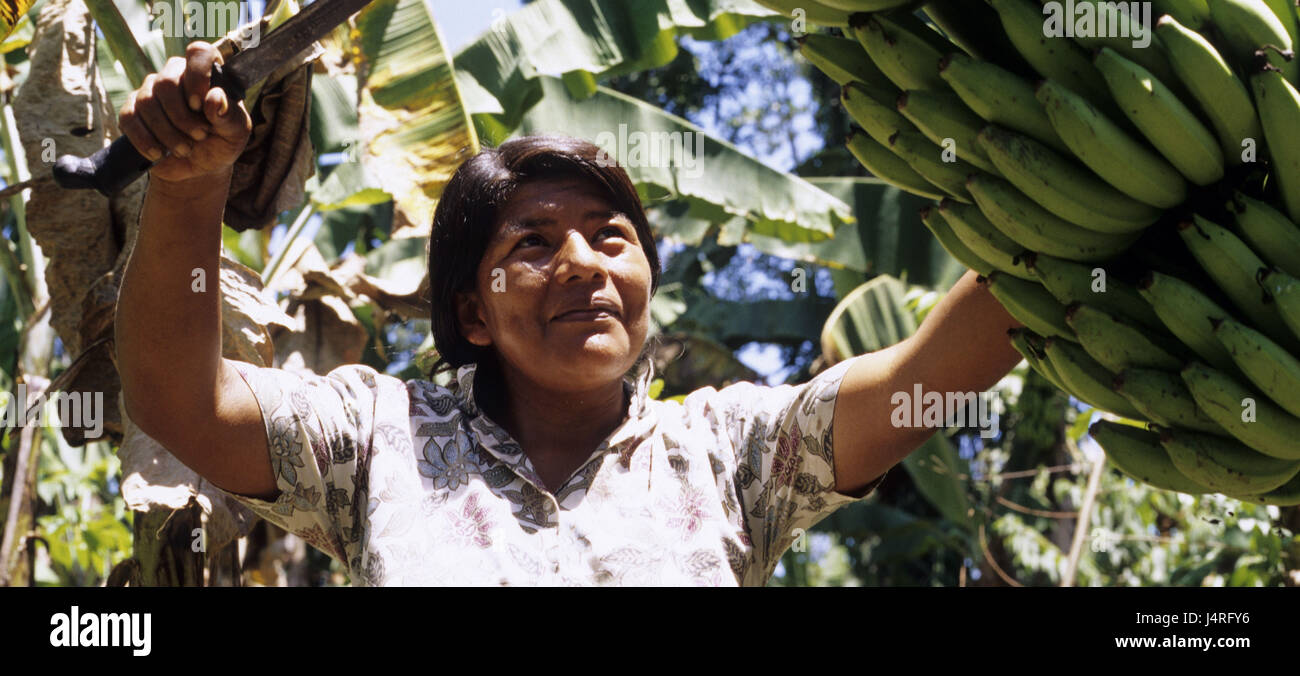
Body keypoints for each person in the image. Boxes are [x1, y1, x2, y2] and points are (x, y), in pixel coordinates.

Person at [114, 41, 1025, 586]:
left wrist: (1060, 201)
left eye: (610, 236)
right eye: (534, 244)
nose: (583, 265)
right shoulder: (377, 441)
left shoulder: (732, 453)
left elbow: (921, 381)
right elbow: (177, 401)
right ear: (472, 313)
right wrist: (190, 186)